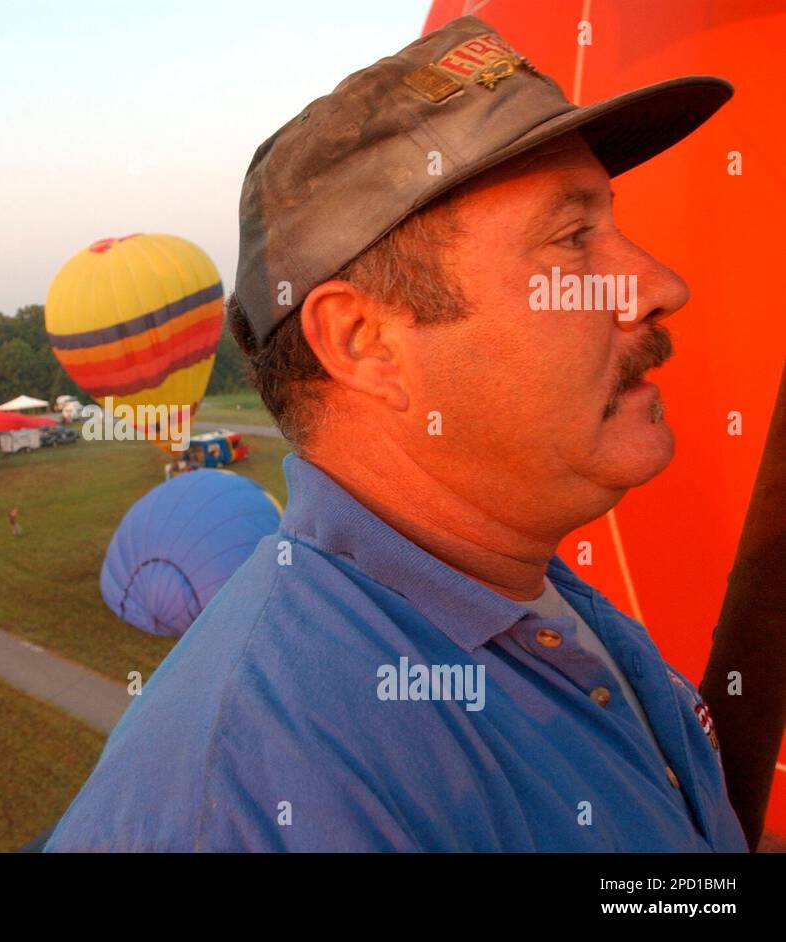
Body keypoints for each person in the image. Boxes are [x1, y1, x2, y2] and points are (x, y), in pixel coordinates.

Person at [46, 18, 745, 852]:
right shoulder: (259, 798)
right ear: (365, 343)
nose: (662, 286)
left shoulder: (534, 599)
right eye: (571, 241)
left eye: (612, 225)